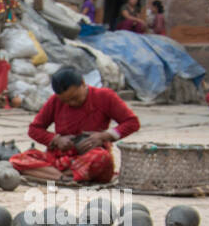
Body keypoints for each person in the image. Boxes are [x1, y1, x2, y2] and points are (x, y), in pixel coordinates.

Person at [9, 67, 140, 184]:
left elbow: (132, 122)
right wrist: (55, 139)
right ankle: (64, 177)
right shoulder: (55, 101)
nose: (71, 103)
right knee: (18, 159)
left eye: (75, 98)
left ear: (83, 84)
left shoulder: (104, 96)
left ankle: (55, 175)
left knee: (102, 157)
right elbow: (34, 129)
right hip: (61, 158)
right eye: (65, 100)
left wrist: (104, 136)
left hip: (89, 157)